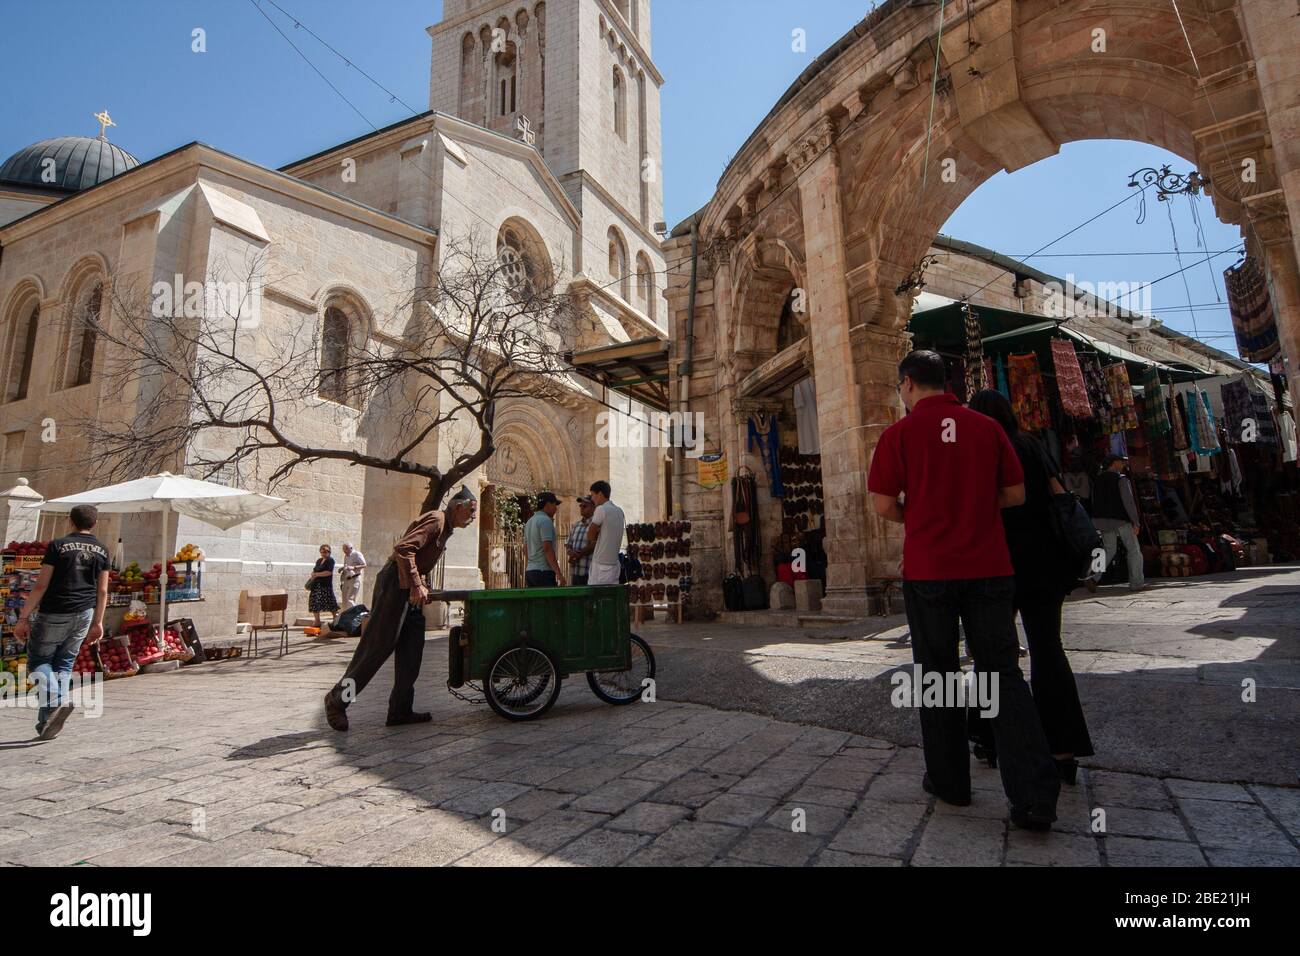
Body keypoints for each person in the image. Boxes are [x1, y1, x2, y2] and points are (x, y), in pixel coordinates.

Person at [867, 350, 1060, 830]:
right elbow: (1015, 494)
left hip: (931, 571)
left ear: (908, 383)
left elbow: (883, 504)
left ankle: (950, 781)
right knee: (1003, 674)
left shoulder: (899, 435)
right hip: (990, 569)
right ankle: (1034, 795)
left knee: (938, 674)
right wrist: (972, 502)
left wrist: (926, 512)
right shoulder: (986, 428)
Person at [967, 389, 1096, 784]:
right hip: (1046, 562)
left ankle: (990, 738)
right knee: (1048, 650)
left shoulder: (983, 450)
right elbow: (1060, 495)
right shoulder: (1033, 445)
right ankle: (1063, 751)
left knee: (993, 656)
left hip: (999, 563)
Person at [323, 486, 477, 731]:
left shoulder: (446, 529)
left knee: (412, 651)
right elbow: (404, 549)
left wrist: (421, 583)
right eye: (471, 511)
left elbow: (418, 558)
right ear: (457, 507)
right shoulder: (436, 520)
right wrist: (416, 584)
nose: (473, 517)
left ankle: (400, 709)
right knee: (376, 649)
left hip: (409, 592)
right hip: (395, 584)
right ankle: (338, 701)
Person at [14, 504, 110, 740]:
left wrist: (24, 617)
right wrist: (98, 622)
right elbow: (103, 591)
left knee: (39, 660)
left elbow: (41, 584)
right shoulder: (103, 550)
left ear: (70, 521)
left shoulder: (58, 545)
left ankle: (58, 700)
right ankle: (46, 723)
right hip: (85, 612)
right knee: (64, 663)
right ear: (95, 523)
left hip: (56, 610)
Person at [1087, 454, 1145, 592]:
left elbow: (1094, 502)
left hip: (1102, 520)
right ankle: (1136, 583)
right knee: (1134, 550)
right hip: (1121, 520)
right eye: (1121, 462)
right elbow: (1128, 502)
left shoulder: (1097, 480)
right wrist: (1135, 522)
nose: (1123, 464)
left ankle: (1092, 575)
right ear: (1114, 463)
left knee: (1108, 549)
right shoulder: (1121, 479)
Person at [585, 480, 625, 587]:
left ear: (600, 494)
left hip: (601, 565)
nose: (592, 499)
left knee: (597, 599)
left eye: (593, 495)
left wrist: (597, 531)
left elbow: (589, 536)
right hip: (614, 564)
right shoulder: (619, 511)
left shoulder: (601, 509)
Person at [524, 492, 566, 587]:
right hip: (543, 572)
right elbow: (547, 548)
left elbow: (525, 549)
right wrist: (559, 574)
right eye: (555, 505)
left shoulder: (529, 522)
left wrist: (529, 568)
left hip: (530, 572)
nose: (556, 508)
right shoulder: (545, 521)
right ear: (548, 504)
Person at [566, 495, 596, 586]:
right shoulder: (576, 525)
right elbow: (568, 544)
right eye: (580, 506)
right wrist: (571, 553)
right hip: (575, 572)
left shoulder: (595, 525)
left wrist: (579, 554)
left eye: (585, 506)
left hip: (589, 572)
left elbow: (595, 544)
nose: (581, 508)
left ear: (593, 508)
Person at [307, 544, 339, 630]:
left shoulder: (330, 560)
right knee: (314, 602)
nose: (324, 553)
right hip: (316, 585)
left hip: (325, 585)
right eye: (322, 551)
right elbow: (315, 570)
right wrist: (313, 575)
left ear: (329, 552)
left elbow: (329, 572)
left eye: (326, 551)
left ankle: (335, 618)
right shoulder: (319, 560)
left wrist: (317, 574)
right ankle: (317, 621)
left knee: (330, 602)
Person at [339, 542, 367, 609]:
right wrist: (342, 568)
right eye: (343, 550)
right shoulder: (346, 556)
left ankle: (353, 615)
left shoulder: (357, 554)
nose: (344, 551)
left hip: (355, 578)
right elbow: (346, 566)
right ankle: (345, 616)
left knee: (350, 599)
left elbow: (364, 565)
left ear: (351, 548)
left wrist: (354, 567)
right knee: (344, 599)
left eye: (346, 549)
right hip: (346, 578)